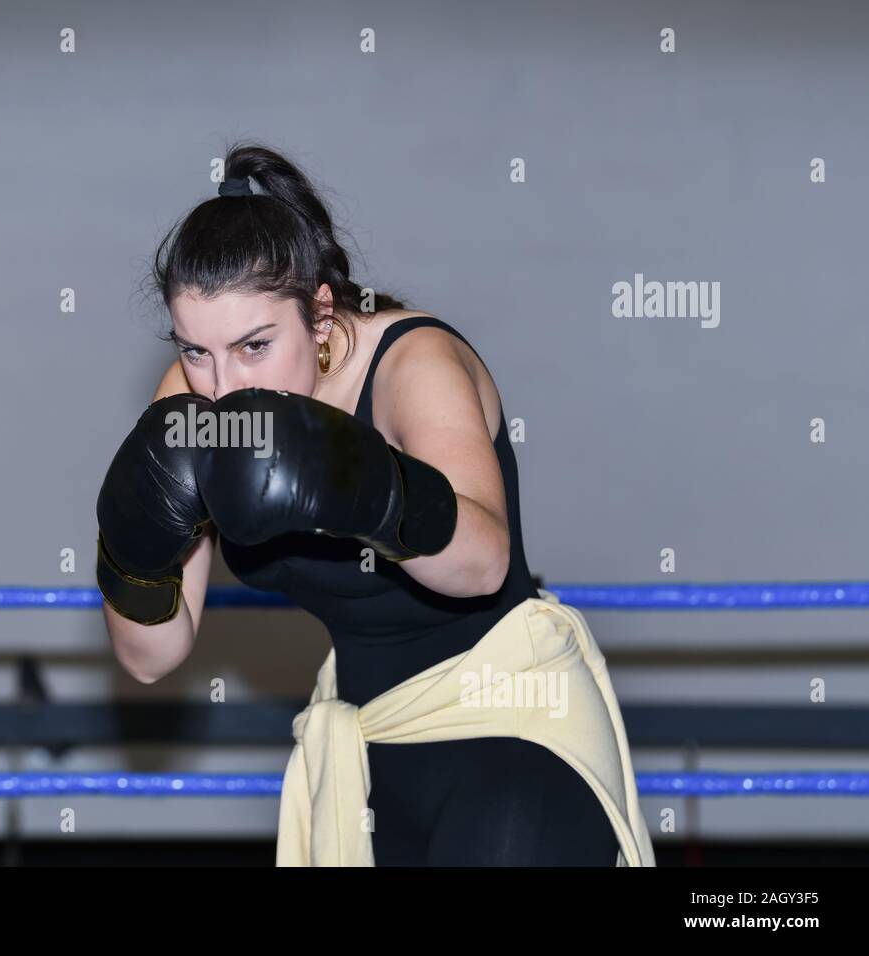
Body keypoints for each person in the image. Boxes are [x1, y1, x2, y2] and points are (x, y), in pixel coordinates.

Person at [96, 142, 652, 866]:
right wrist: (131, 553)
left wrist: (357, 482)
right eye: (196, 350)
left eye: (255, 345)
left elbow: (484, 563)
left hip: (512, 731)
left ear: (320, 315)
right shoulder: (192, 403)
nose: (223, 384)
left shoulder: (411, 363)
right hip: (373, 743)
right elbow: (152, 657)